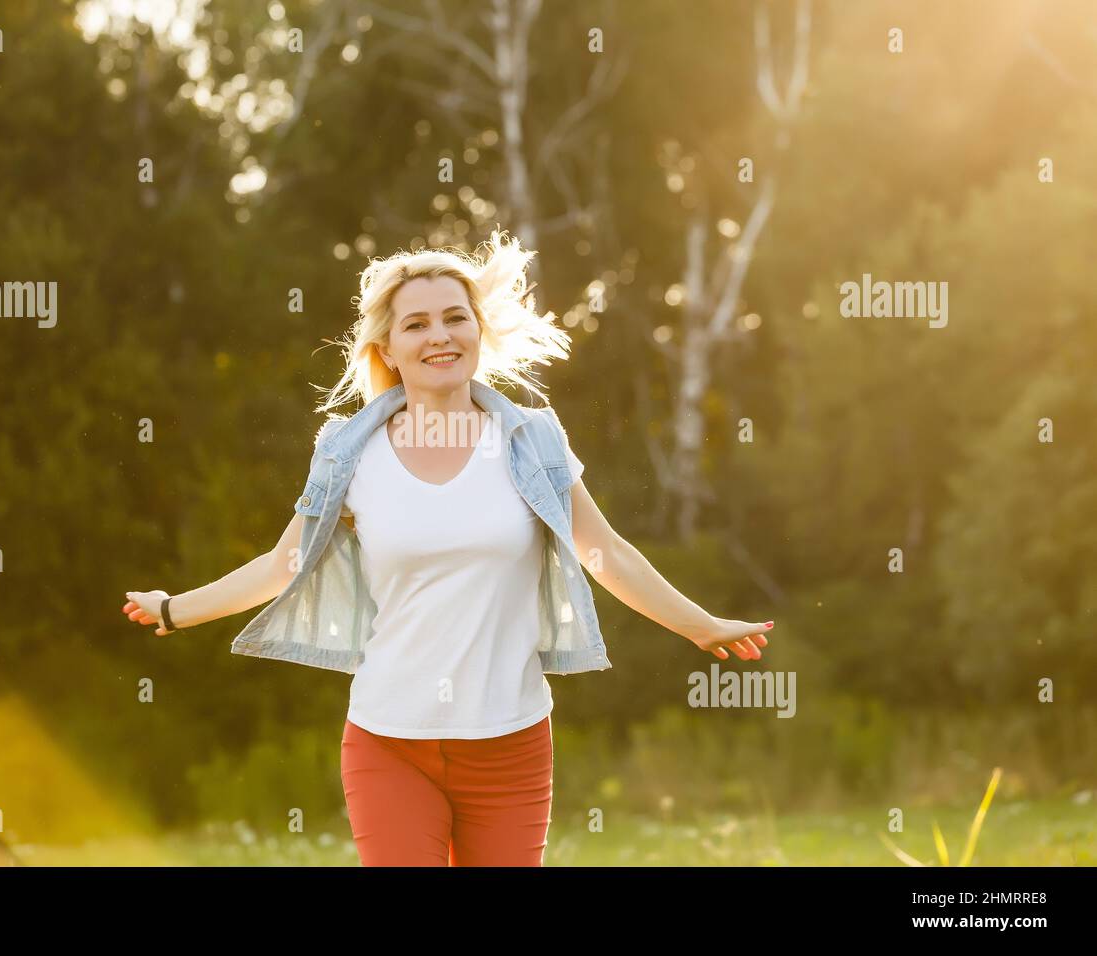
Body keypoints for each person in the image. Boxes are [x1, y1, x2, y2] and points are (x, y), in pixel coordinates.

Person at [122, 229, 773, 866]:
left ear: (478, 332)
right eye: (417, 324)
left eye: (455, 318)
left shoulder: (532, 441)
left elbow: (608, 554)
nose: (440, 335)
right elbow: (280, 566)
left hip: (511, 743)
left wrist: (702, 626)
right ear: (389, 347)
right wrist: (175, 609)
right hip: (388, 741)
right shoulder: (348, 455)